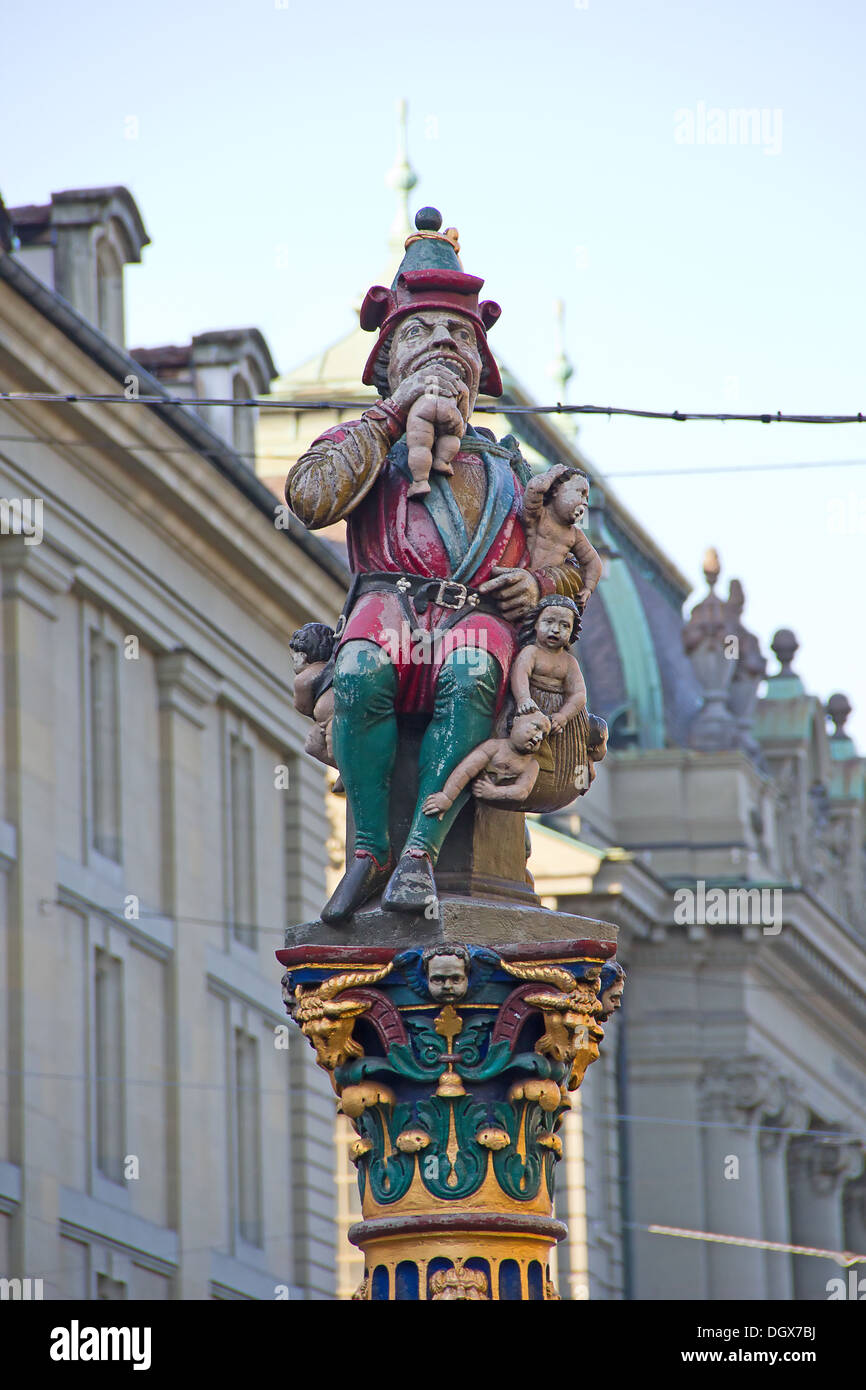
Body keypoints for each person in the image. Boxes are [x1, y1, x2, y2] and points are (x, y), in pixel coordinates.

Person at [285, 208, 584, 921]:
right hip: (389, 600)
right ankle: (367, 852)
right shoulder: (368, 444)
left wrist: (539, 584)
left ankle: (419, 850)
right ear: (388, 357)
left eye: (460, 336)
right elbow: (310, 496)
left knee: (475, 671)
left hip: (476, 615)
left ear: (482, 367)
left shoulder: (515, 470)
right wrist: (391, 416)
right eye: (421, 332)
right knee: (359, 672)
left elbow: (572, 566)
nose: (445, 345)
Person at [422, 710, 551, 819]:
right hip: (467, 796)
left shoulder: (531, 765)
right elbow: (466, 769)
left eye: (543, 735)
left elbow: (522, 791)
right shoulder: (493, 747)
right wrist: (447, 797)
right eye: (536, 727)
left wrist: (494, 792)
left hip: (499, 814)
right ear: (517, 720)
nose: (539, 736)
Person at [521, 465, 602, 610]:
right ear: (556, 491)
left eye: (587, 498)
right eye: (580, 493)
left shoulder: (575, 535)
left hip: (549, 592)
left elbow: (593, 562)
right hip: (524, 582)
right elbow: (534, 489)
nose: (585, 502)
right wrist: (552, 475)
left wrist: (588, 589)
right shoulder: (539, 516)